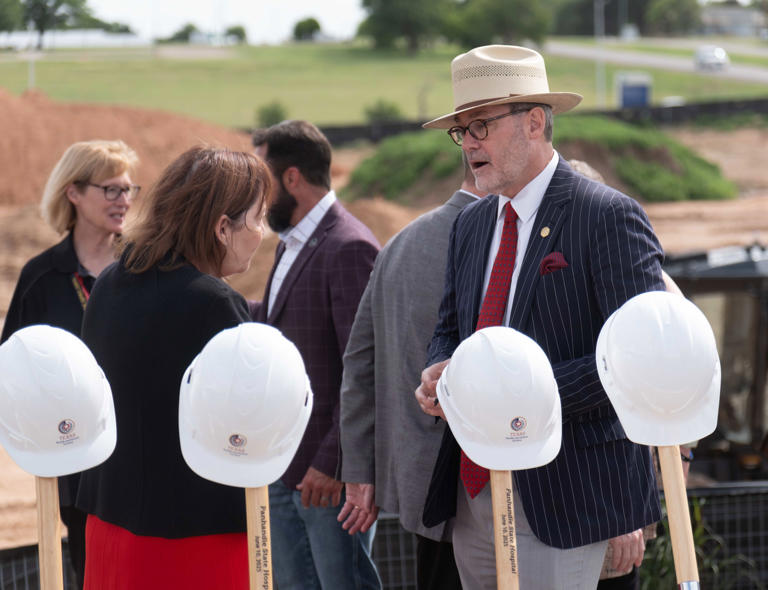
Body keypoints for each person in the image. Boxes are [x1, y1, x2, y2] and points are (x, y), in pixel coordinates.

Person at [414, 45, 665, 589]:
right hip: (473, 491)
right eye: (462, 131)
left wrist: (523, 396)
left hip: (564, 493)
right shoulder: (473, 224)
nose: (469, 144)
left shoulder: (608, 216)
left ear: (533, 123)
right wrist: (440, 369)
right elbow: (450, 329)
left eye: (480, 125)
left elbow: (641, 358)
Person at [75, 146, 272, 590]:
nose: (262, 232)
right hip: (193, 538)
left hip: (109, 522)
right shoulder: (213, 303)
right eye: (257, 218)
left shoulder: (110, 281)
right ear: (223, 227)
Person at [338, 156, 483, 590]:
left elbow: (359, 362)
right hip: (489, 488)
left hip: (418, 488)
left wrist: (361, 470)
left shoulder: (399, 244)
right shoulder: (503, 241)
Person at [1, 139, 139, 590]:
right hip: (77, 463)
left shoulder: (147, 267)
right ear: (74, 193)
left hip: (145, 456)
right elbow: (13, 369)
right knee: (92, 573)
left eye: (128, 189)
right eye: (111, 190)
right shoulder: (41, 277)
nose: (124, 201)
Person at [250, 120, 382, 590]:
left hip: (325, 478)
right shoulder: (294, 242)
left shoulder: (349, 247)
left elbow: (365, 369)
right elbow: (280, 320)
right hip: (286, 466)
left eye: (262, 181)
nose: (257, 197)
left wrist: (333, 462)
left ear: (290, 179)